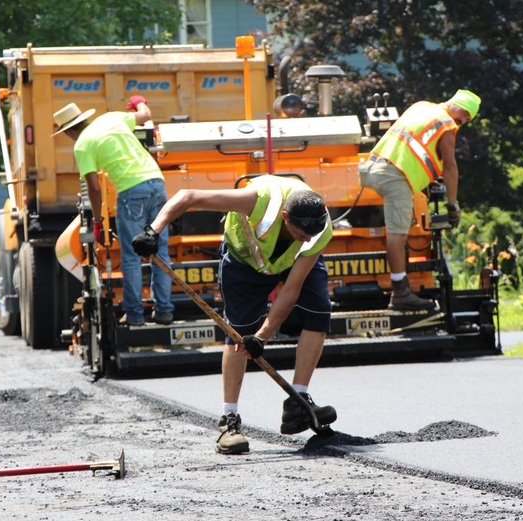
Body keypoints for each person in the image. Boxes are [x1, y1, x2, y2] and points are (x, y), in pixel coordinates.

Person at [132, 174, 337, 454]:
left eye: (311, 234)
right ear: (286, 217)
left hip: (289, 264)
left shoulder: (317, 231)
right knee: (238, 334)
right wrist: (153, 231)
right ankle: (229, 420)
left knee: (318, 313)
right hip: (243, 262)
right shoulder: (256, 201)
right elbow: (188, 196)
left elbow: (291, 291)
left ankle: (297, 401)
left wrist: (262, 337)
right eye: (302, 234)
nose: (307, 238)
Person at [52, 97, 174, 327]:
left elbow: (95, 188)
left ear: (68, 132)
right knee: (160, 250)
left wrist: (98, 220)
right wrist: (139, 102)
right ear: (83, 118)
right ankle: (165, 312)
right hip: (157, 182)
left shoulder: (82, 145)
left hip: (131, 190)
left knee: (131, 255)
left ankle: (136, 316)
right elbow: (146, 115)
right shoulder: (111, 118)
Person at [360, 89, 481, 310]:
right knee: (397, 233)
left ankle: (400, 286)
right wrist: (452, 203)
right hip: (394, 176)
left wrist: (426, 178)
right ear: (455, 104)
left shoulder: (421, 106)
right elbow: (450, 167)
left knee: (401, 226)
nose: (462, 120)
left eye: (467, 119)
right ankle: (401, 293)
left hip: (374, 167)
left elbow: (411, 150)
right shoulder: (446, 125)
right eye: (464, 113)